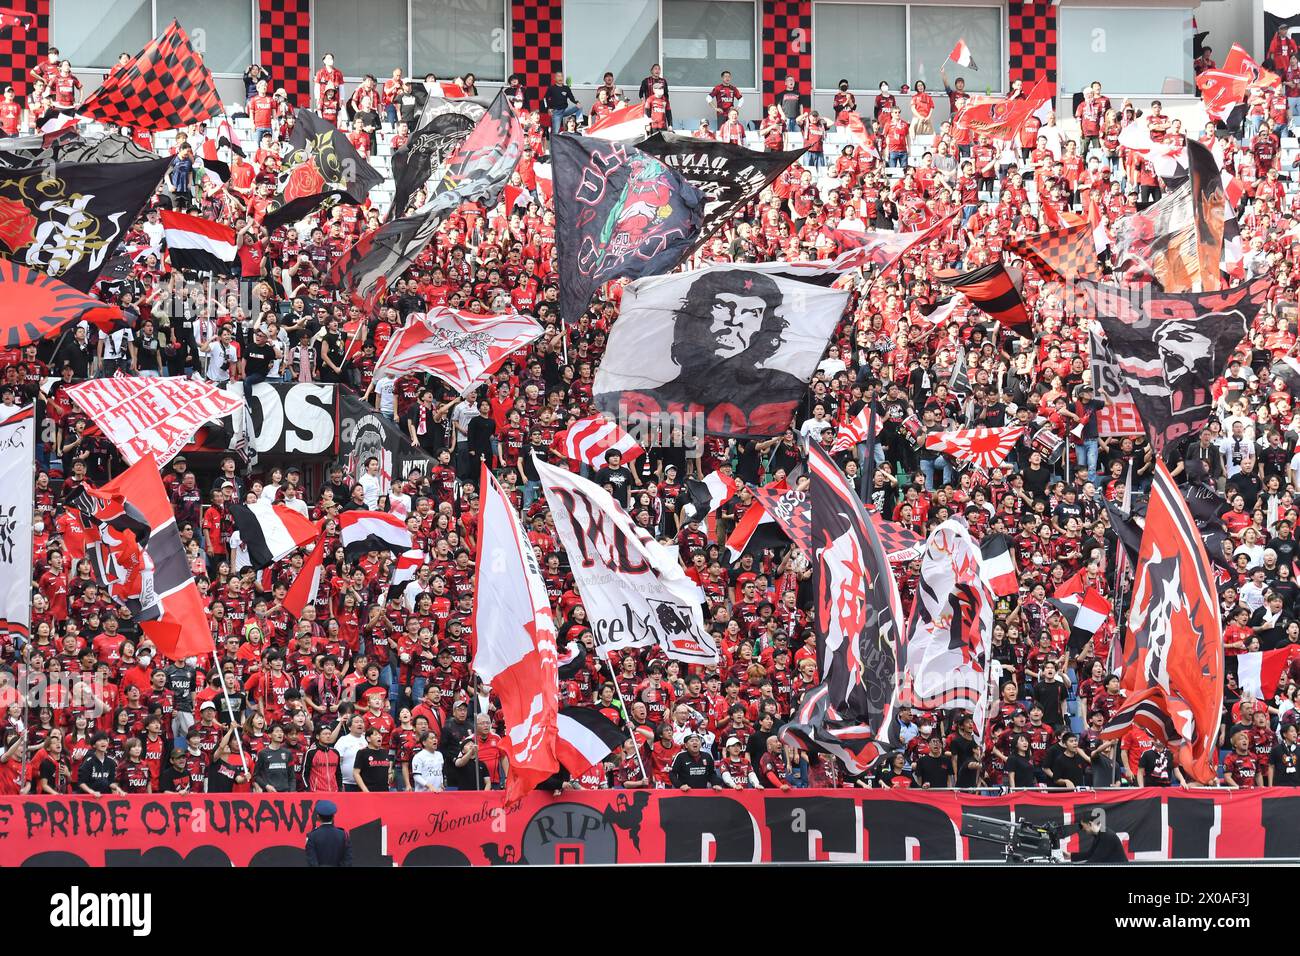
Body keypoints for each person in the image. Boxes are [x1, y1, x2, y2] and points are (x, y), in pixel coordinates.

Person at [305, 799, 353, 867]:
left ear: (318, 817)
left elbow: (312, 861)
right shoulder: (343, 835)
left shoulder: (312, 836)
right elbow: (348, 860)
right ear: (333, 816)